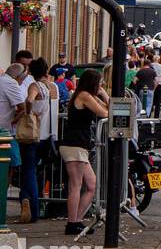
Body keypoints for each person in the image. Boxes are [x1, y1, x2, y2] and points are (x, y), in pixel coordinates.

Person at [60, 68, 110, 236]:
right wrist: (102, 94)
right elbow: (104, 113)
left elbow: (110, 109)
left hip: (80, 145)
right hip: (74, 144)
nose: (101, 85)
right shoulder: (84, 96)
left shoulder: (88, 96)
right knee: (76, 186)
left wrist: (104, 94)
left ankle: (77, 220)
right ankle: (72, 223)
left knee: (92, 184)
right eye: (99, 83)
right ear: (93, 83)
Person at [17, 58, 58, 223]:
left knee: (29, 171)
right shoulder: (53, 87)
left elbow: (29, 100)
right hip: (50, 135)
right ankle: (25, 200)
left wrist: (28, 113)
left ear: (32, 72)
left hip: (35, 135)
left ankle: (33, 211)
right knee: (37, 172)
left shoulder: (35, 86)